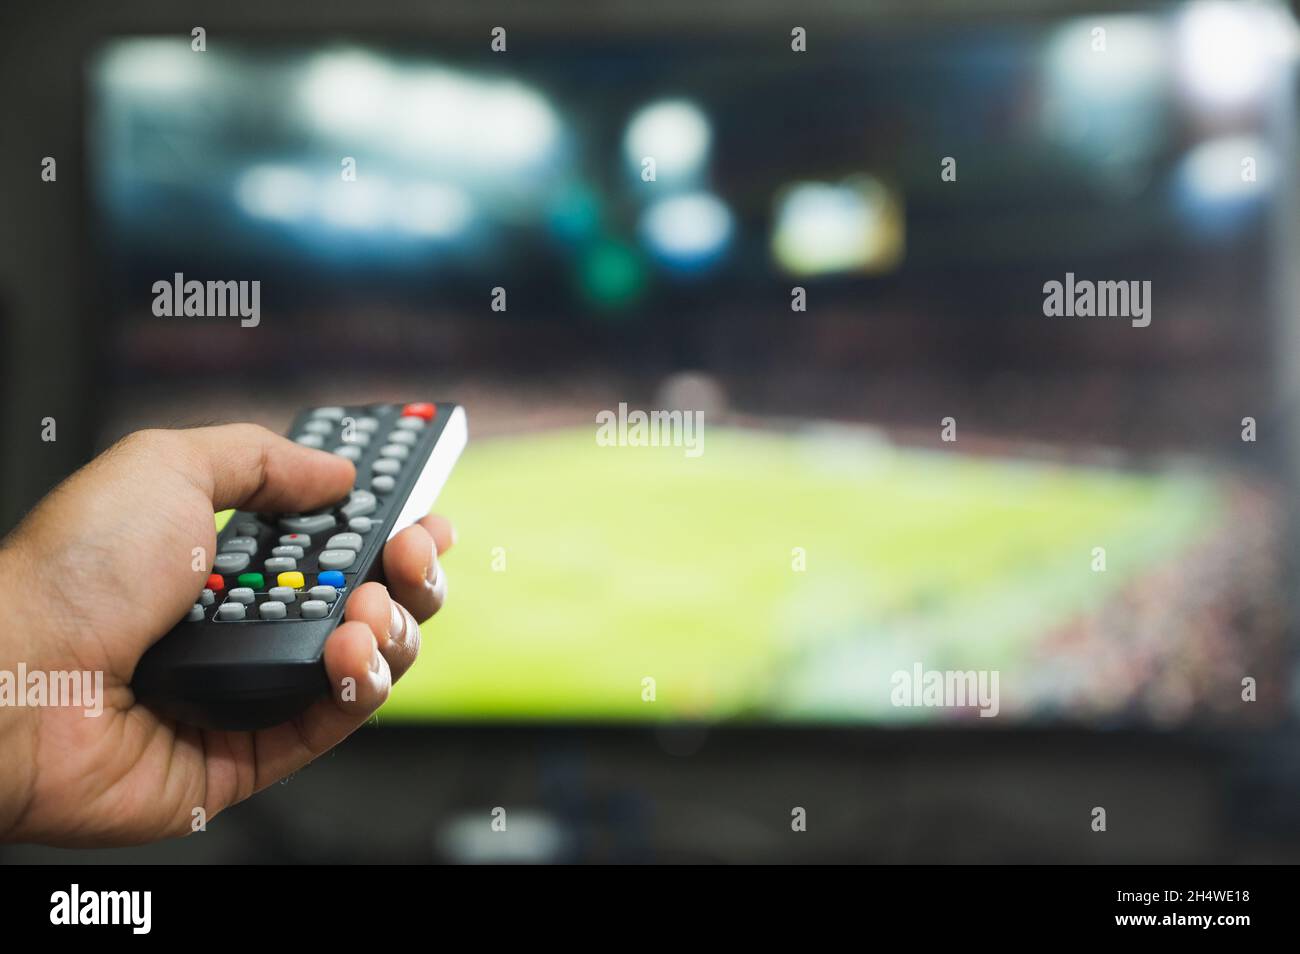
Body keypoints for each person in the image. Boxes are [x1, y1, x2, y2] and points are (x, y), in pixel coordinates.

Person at [0, 424, 452, 846]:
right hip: (142, 698)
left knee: (385, 594)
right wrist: (48, 625)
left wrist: (37, 704)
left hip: (151, 702)